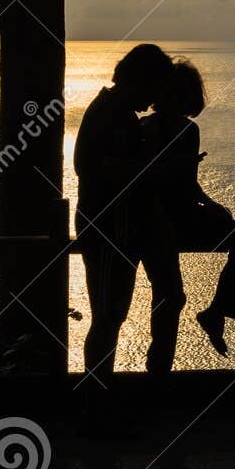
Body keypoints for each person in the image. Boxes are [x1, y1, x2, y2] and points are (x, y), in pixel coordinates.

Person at [73, 42, 173, 401]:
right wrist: (152, 169)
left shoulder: (117, 112)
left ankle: (101, 398)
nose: (157, 98)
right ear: (141, 80)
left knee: (111, 315)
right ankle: (96, 401)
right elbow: (90, 167)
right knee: (106, 316)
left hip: (119, 228)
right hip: (105, 228)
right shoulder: (109, 113)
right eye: (156, 87)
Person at [143, 58, 235, 357]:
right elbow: (146, 180)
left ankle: (217, 310)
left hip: (186, 213)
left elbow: (189, 182)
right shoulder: (147, 128)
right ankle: (159, 370)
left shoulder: (189, 130)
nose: (180, 101)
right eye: (176, 93)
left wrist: (211, 203)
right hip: (156, 220)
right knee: (169, 296)